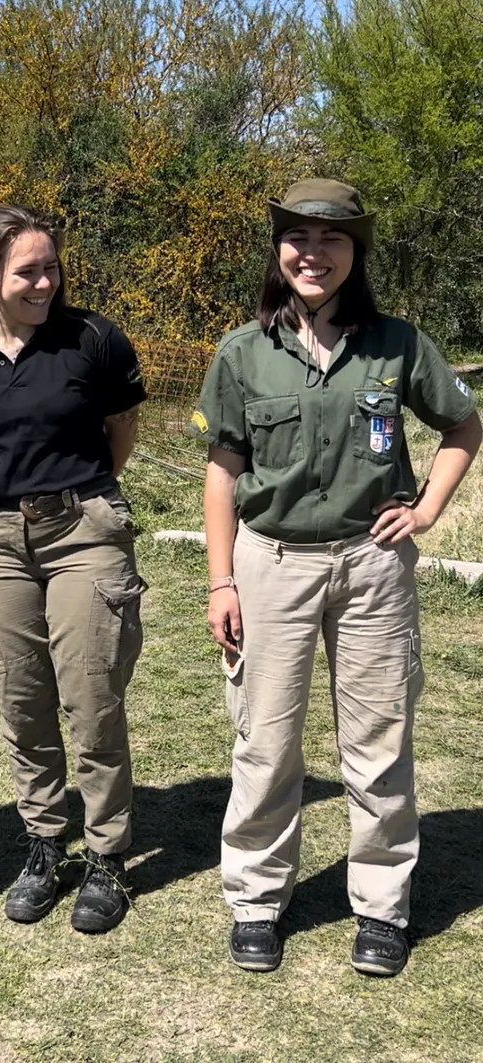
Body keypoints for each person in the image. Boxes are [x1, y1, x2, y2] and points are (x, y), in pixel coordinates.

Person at [190, 179, 481, 976]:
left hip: (372, 565)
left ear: (356, 254)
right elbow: (222, 472)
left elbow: (463, 422)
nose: (312, 253)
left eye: (332, 239)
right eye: (298, 238)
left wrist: (426, 510)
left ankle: (382, 904)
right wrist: (221, 582)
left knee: (379, 741)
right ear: (279, 248)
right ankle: (255, 899)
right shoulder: (241, 350)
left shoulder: (398, 344)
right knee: (266, 740)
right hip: (269, 564)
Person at [0, 205, 148, 933]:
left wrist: (80, 500)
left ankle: (108, 853)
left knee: (91, 695)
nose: (46, 281)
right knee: (20, 699)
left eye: (52, 266)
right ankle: (47, 841)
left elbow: (122, 429)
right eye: (28, 270)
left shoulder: (93, 339)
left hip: (83, 526)